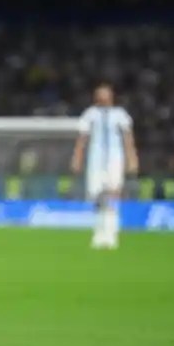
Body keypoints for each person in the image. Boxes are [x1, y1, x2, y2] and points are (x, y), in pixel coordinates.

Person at [70, 83, 137, 250]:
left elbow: (128, 139)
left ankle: (111, 233)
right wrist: (77, 158)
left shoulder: (120, 114)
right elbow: (82, 139)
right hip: (96, 159)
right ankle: (99, 232)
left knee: (113, 194)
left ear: (111, 96)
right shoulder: (90, 114)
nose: (102, 98)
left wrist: (132, 158)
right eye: (99, 95)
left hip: (115, 158)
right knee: (97, 196)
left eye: (105, 94)